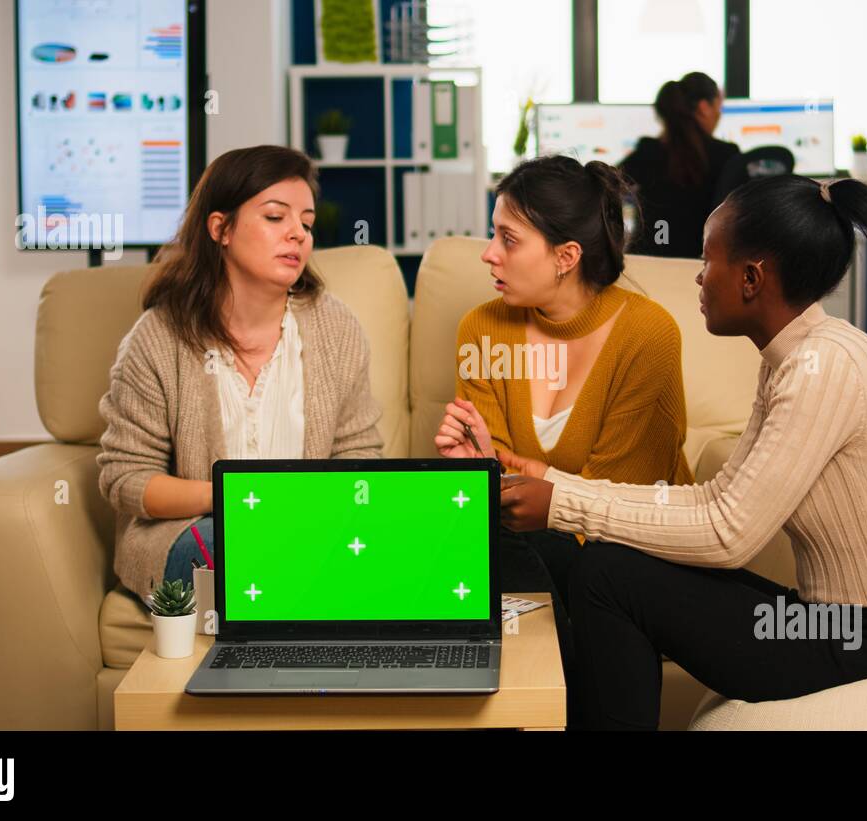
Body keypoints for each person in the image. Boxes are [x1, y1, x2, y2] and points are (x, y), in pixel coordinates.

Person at [500, 175, 867, 730]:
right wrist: (558, 487)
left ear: (750, 278)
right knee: (599, 558)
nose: (698, 275)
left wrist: (562, 505)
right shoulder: (795, 357)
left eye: (706, 258)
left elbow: (728, 535)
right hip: (832, 622)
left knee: (608, 577)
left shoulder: (822, 368)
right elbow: (716, 499)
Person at [433, 154, 694, 725]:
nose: (488, 253)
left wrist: (510, 476)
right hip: (526, 546)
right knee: (485, 536)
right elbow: (490, 490)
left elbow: (621, 502)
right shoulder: (483, 328)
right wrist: (476, 469)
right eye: (492, 234)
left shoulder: (647, 333)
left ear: (566, 257)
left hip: (626, 547)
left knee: (583, 561)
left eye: (508, 239)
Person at [97, 145, 383, 602]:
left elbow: (360, 457)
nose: (298, 234)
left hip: (314, 529)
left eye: (307, 223)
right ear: (221, 228)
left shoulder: (337, 329)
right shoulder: (157, 338)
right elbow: (126, 478)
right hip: (197, 535)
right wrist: (235, 496)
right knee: (232, 546)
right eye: (275, 217)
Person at [619, 71, 746, 259]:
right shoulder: (726, 155)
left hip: (651, 261)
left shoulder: (647, 152)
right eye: (719, 108)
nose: (719, 115)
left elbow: (608, 185)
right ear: (704, 107)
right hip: (705, 262)